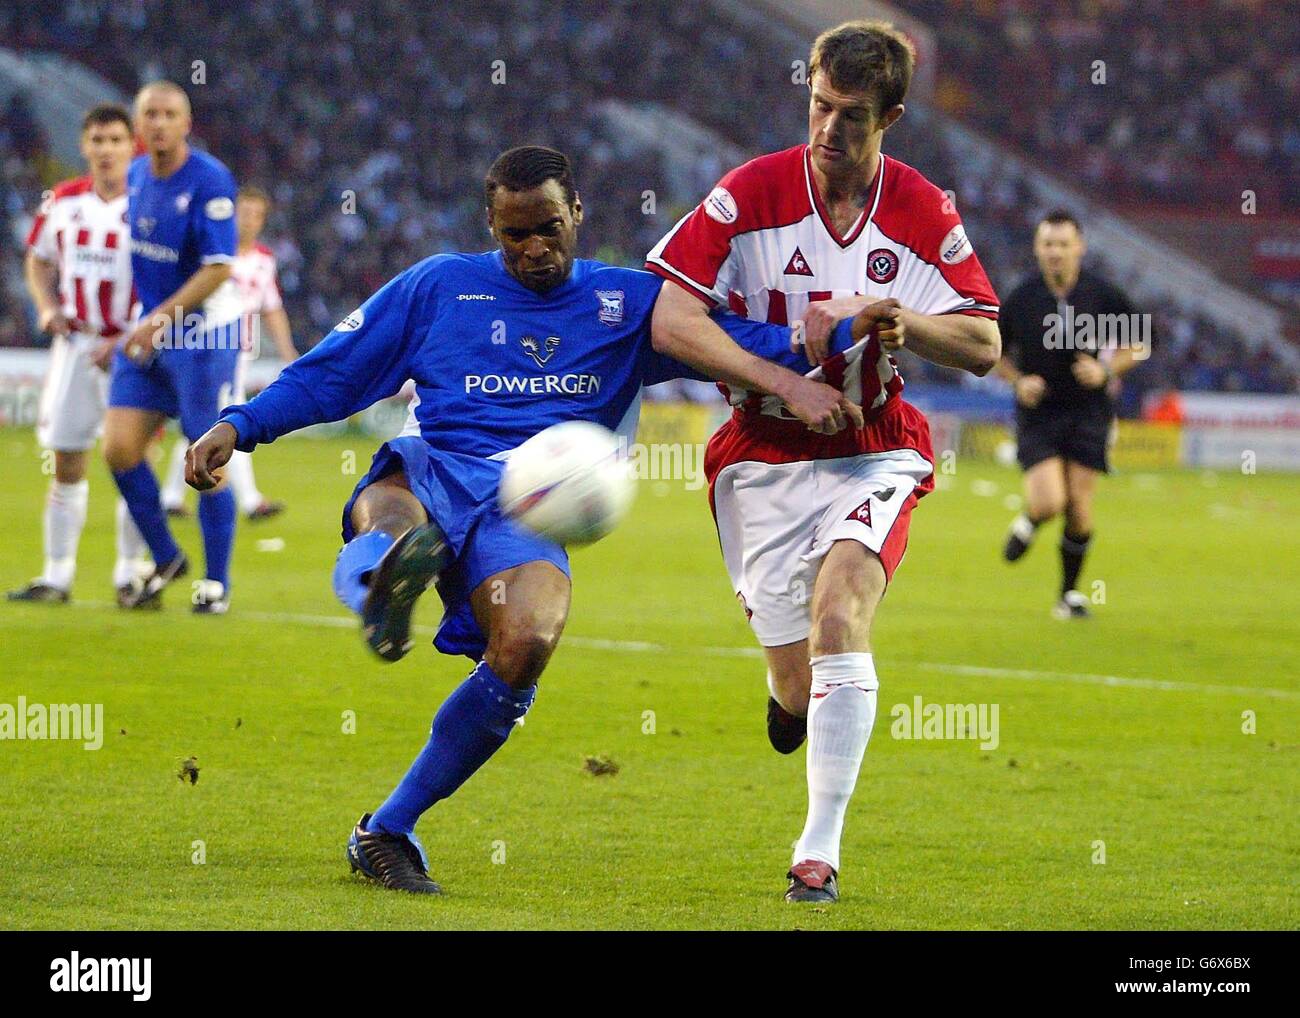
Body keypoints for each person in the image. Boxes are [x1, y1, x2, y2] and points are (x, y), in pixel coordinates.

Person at [186, 145, 889, 895]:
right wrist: (243, 423)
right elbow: (336, 371)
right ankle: (380, 578)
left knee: (527, 641)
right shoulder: (438, 287)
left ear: (577, 214)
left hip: (528, 509)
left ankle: (384, 828)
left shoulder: (632, 304)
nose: (533, 248)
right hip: (440, 465)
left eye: (548, 227)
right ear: (490, 223)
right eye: (514, 233)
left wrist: (844, 333)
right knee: (395, 507)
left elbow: (733, 342)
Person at [646, 20, 1001, 903]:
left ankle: (818, 850)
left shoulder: (922, 209)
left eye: (850, 116)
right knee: (799, 681)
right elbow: (669, 318)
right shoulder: (749, 193)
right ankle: (793, 696)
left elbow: (986, 343)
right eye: (818, 106)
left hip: (872, 449)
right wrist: (786, 383)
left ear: (892, 117)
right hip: (759, 458)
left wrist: (897, 318)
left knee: (842, 614)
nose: (828, 130)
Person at [104, 81, 242, 614]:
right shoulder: (136, 174)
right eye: (150, 115)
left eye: (169, 114)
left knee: (202, 457)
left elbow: (218, 267)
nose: (159, 123)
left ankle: (216, 584)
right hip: (152, 334)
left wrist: (160, 318)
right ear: (140, 127)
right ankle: (166, 556)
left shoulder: (210, 180)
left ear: (186, 123)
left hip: (202, 335)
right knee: (118, 448)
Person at [8, 104, 153, 608]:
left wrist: (139, 333)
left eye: (116, 140)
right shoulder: (63, 201)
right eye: (97, 140)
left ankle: (130, 575)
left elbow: (168, 279)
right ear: (85, 145)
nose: (106, 149)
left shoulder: (148, 204)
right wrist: (47, 307)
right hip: (75, 344)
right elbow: (38, 260)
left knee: (134, 457)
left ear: (131, 145)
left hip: (132, 348)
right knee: (67, 460)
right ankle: (57, 576)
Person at [994, 211, 1144, 619]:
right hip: (1039, 414)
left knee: (1079, 505)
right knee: (1049, 502)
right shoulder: (1022, 299)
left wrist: (1107, 370)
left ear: (1080, 248)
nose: (1056, 252)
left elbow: (1141, 343)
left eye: (1063, 244)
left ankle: (1068, 595)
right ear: (1037, 249)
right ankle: (1030, 520)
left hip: (1089, 411)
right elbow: (993, 352)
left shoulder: (1103, 295)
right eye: (1048, 244)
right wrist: (1018, 381)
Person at [162, 185, 296, 522]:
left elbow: (272, 308)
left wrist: (287, 351)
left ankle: (172, 496)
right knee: (228, 417)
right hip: (206, 348)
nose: (249, 220)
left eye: (256, 215)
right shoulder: (213, 256)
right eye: (244, 212)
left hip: (240, 351)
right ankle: (250, 501)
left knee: (211, 418)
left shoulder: (264, 261)